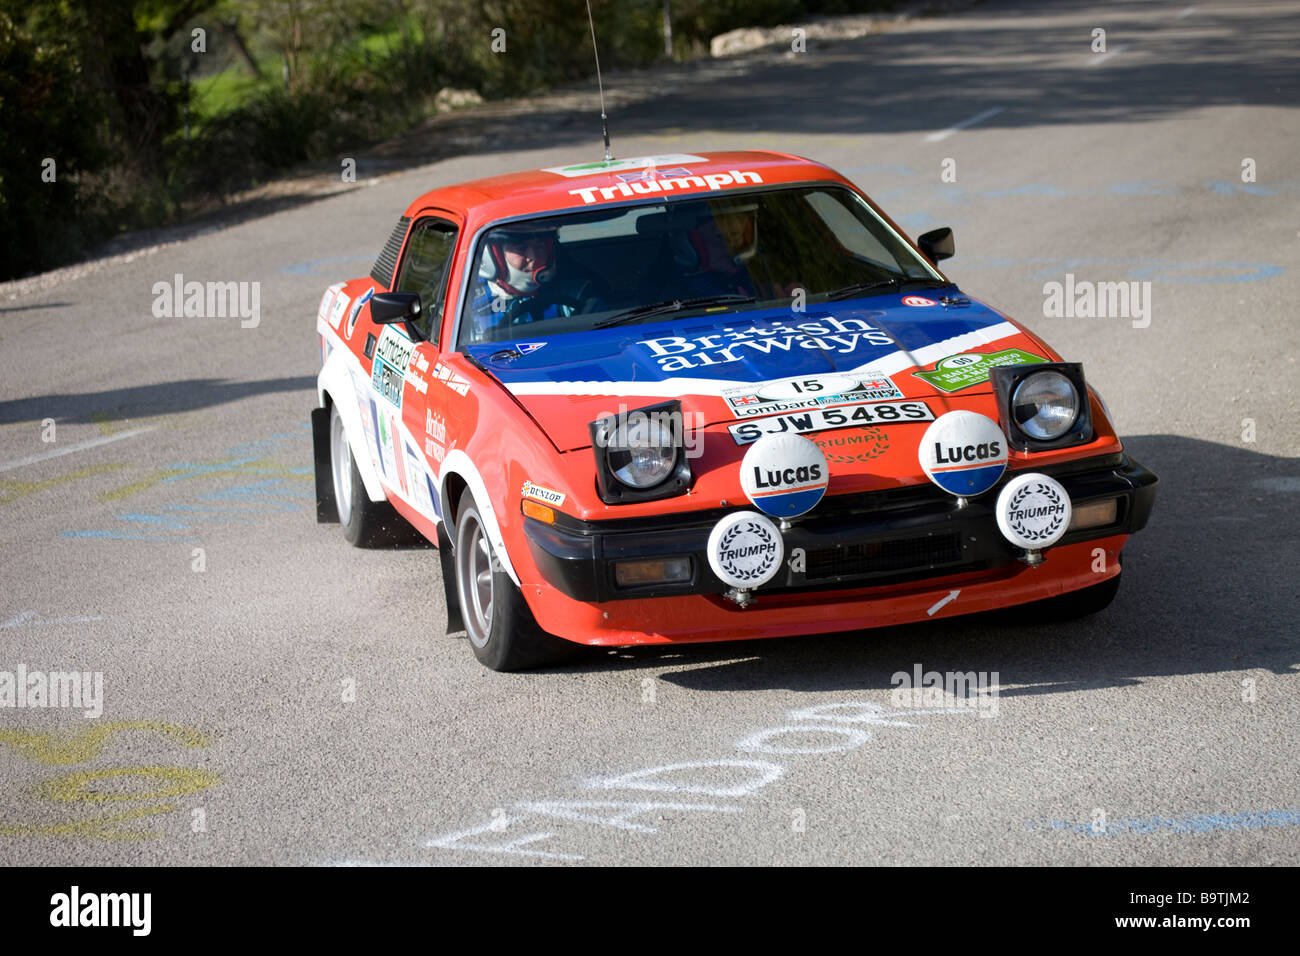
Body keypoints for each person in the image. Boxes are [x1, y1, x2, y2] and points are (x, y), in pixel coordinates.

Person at [468, 225, 587, 340]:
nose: (534, 258)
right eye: (521, 249)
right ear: (495, 256)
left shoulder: (575, 292)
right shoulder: (467, 299)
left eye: (539, 246)